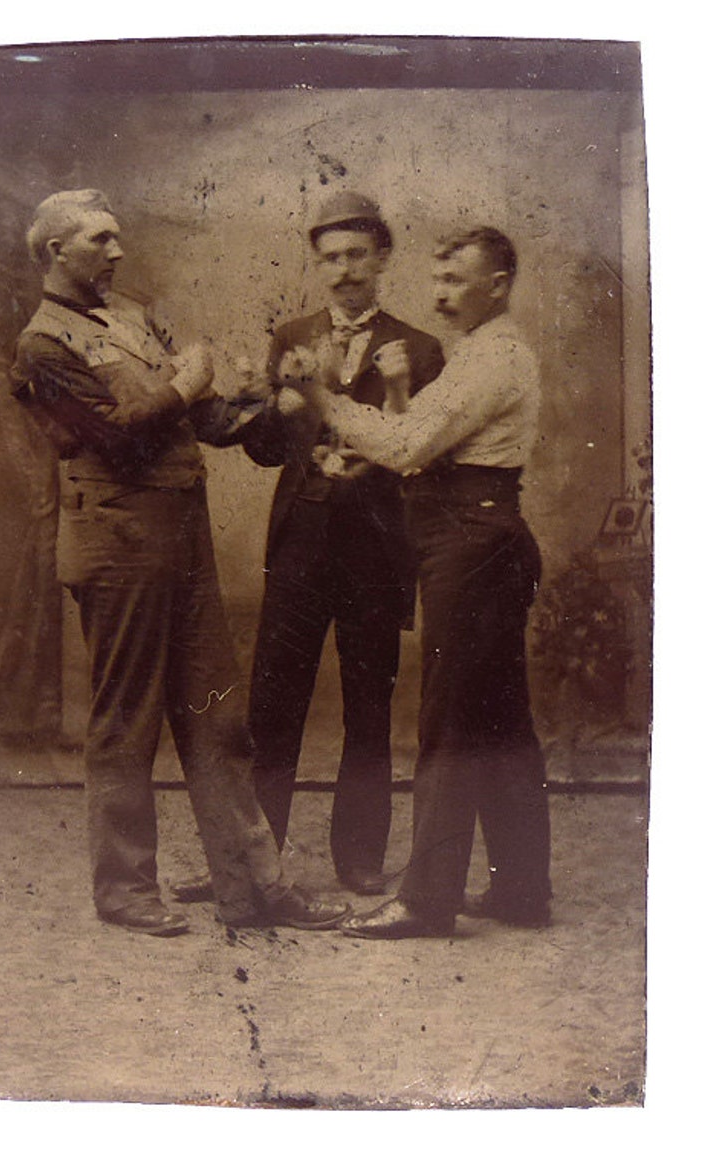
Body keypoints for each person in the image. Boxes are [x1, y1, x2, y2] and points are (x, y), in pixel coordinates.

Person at [9, 189, 351, 937]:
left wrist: (271, 406)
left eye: (117, 236)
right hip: (116, 545)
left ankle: (256, 888)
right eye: (100, 239)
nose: (117, 250)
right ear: (55, 252)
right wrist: (185, 382)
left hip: (182, 538)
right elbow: (115, 439)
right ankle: (124, 890)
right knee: (126, 721)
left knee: (218, 719)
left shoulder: (132, 316)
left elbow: (208, 421)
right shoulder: (41, 346)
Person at [299, 225, 552, 938]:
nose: (439, 295)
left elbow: (409, 442)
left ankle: (426, 900)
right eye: (437, 279)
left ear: (497, 285)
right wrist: (377, 447)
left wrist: (320, 397)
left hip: (472, 550)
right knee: (501, 720)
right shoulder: (480, 352)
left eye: (455, 281)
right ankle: (522, 890)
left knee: (448, 722)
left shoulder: (494, 357)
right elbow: (425, 450)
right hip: (479, 541)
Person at [234, 192, 445, 896]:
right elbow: (267, 451)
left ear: (382, 258)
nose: (345, 270)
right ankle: (256, 857)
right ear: (317, 265)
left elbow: (424, 458)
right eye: (331, 258)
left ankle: (358, 858)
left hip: (376, 548)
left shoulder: (419, 348)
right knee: (272, 702)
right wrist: (275, 406)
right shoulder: (291, 336)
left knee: (368, 704)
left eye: (358, 255)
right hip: (300, 541)